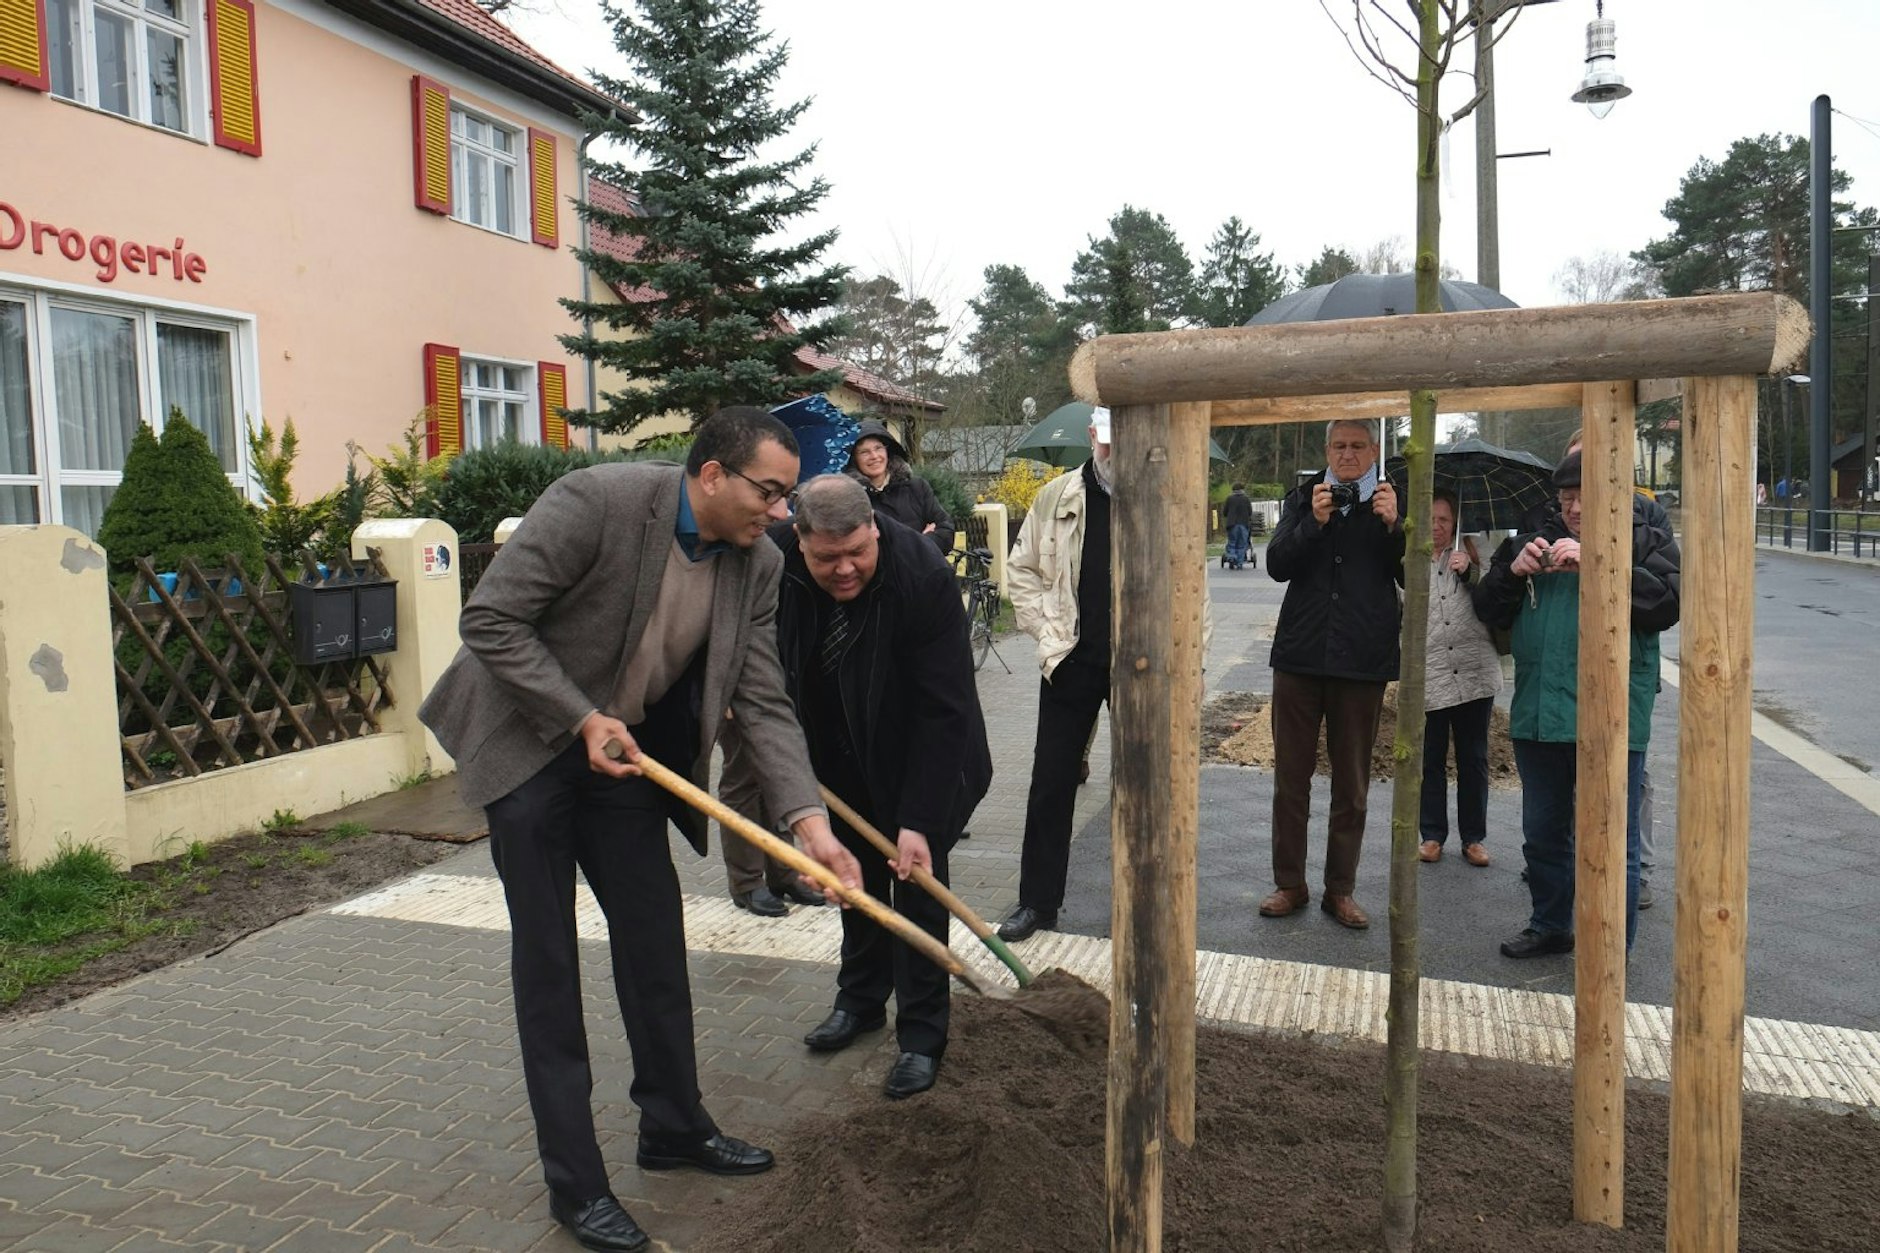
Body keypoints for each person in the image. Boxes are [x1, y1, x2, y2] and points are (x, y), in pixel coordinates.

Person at [417, 408, 863, 1253]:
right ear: (711, 475)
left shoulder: (756, 564)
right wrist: (579, 716)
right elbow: (490, 621)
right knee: (548, 965)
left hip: (620, 755)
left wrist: (807, 819)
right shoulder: (597, 501)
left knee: (656, 940)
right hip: (527, 743)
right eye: (769, 491)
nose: (778, 512)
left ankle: (673, 1125)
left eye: (786, 495)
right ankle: (576, 1185)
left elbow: (761, 698)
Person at [728, 475, 991, 1098]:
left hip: (918, 752)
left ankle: (923, 1034)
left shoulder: (920, 573)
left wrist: (921, 819)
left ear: (874, 528)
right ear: (801, 538)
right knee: (855, 881)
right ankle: (862, 1001)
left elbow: (944, 707)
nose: (845, 569)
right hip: (831, 748)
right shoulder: (776, 561)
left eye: (857, 553)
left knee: (916, 887)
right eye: (827, 558)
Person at [997, 408, 1210, 941]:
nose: (1116, 452)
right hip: (1074, 658)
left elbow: (1193, 587)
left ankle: (1149, 904)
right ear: (1093, 438)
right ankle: (1037, 903)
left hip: (1145, 666)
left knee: (1145, 785)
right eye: (1109, 441)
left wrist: (1185, 663)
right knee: (1051, 782)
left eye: (1126, 441)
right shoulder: (1058, 496)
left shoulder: (1167, 496)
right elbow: (1020, 570)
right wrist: (1048, 637)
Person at [1473, 450, 1680, 959]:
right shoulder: (1532, 532)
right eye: (1568, 498)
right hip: (1539, 712)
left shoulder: (1645, 533)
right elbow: (1487, 608)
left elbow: (1667, 606)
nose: (1576, 509)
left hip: (1610, 716)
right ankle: (1550, 924)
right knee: (1542, 834)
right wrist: (1511, 573)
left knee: (1613, 841)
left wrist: (1602, 565)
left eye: (1587, 497)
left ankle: (1612, 945)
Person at [1259, 418, 1405, 931]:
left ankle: (1339, 890)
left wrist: (1395, 528)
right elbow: (1277, 564)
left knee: (1353, 785)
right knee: (1290, 780)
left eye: (1357, 446)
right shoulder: (1304, 497)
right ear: (1327, 449)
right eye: (1339, 445)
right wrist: (1311, 525)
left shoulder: (1392, 498)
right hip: (1300, 656)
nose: (1347, 454)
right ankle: (1289, 883)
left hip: (1361, 660)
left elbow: (1410, 574)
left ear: (1373, 450)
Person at [1418, 489, 1502, 868]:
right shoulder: (1407, 560)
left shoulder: (1472, 559)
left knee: (1473, 757)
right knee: (1430, 758)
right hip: (1431, 672)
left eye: (1444, 520)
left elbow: (1494, 602)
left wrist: (1470, 572)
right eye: (1430, 519)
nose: (1436, 527)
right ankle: (1432, 835)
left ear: (1456, 524)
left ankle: (1474, 838)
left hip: (1474, 671)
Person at [846, 419, 954, 553]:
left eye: (878, 448)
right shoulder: (852, 500)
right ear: (854, 459)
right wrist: (921, 541)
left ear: (888, 451)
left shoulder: (917, 488)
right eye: (864, 452)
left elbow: (946, 531)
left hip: (924, 573)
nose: (874, 456)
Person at [1222, 482, 1254, 570]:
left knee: (1232, 542)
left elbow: (1225, 512)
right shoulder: (1246, 499)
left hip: (1232, 524)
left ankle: (1232, 557)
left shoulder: (1229, 499)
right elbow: (1250, 512)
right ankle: (1239, 563)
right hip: (1244, 524)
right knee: (1242, 544)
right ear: (1242, 489)